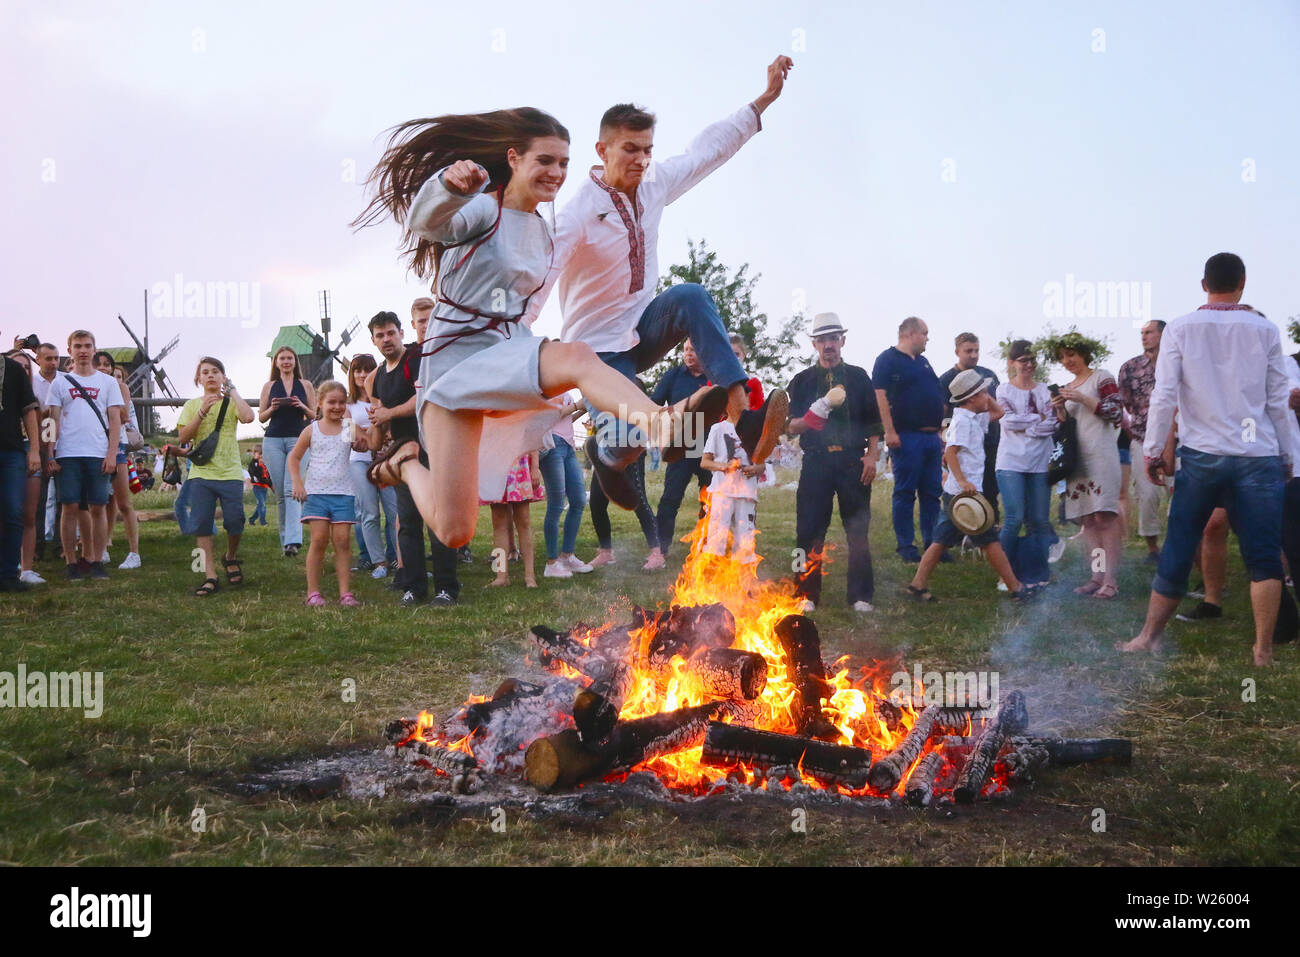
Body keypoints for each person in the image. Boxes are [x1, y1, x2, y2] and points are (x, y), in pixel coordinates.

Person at [353, 107, 726, 566]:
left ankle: (663, 424)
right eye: (545, 160)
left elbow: (528, 304)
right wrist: (448, 186)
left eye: (564, 163)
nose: (557, 173)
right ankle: (407, 461)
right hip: (454, 365)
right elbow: (426, 223)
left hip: (505, 350)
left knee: (578, 356)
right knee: (455, 529)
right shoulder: (483, 208)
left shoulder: (544, 232)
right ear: (514, 158)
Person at [521, 57, 795, 509]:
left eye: (647, 149)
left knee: (690, 294)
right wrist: (514, 346)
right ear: (602, 150)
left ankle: (739, 405)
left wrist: (762, 100)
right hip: (598, 350)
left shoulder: (654, 184)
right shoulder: (575, 216)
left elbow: (706, 151)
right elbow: (541, 279)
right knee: (629, 441)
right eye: (630, 149)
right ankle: (606, 454)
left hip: (645, 327)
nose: (642, 159)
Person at [1122, 253, 1293, 666]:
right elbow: (1277, 399)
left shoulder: (1181, 327)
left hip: (1202, 455)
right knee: (1264, 555)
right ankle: (1262, 651)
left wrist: (1152, 450)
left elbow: (1164, 395)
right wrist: (1287, 453)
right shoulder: (1265, 329)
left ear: (1204, 284)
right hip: (1258, 454)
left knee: (1180, 546)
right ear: (1243, 282)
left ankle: (1148, 637)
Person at [907, 370, 1034, 602]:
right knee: (989, 541)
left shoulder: (974, 417)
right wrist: (963, 481)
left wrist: (984, 397)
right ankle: (1016, 588)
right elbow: (950, 452)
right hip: (963, 496)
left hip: (964, 494)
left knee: (941, 541)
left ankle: (917, 585)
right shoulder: (963, 422)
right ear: (972, 398)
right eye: (984, 392)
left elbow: (1000, 412)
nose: (988, 396)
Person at [362, 312, 461, 607]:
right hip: (403, 455)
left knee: (437, 518)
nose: (386, 339)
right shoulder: (378, 376)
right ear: (373, 340)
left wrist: (388, 414)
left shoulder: (417, 359)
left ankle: (446, 588)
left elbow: (423, 400)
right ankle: (414, 587)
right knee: (407, 521)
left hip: (432, 449)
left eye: (391, 333)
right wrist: (373, 441)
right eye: (380, 336)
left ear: (401, 332)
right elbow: (379, 418)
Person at [787, 313, 882, 612]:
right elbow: (789, 426)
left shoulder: (858, 376)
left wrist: (871, 456)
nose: (828, 345)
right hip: (815, 462)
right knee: (807, 530)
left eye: (833, 338)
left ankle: (861, 595)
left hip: (852, 461)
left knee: (858, 530)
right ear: (814, 344)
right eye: (822, 340)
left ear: (843, 340)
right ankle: (804, 592)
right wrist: (813, 415)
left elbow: (873, 423)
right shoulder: (801, 381)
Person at [43, 330, 125, 581]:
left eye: (87, 346)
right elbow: (51, 421)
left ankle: (96, 559)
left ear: (94, 349)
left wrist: (112, 454)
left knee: (98, 507)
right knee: (68, 506)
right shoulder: (60, 382)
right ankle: (71, 561)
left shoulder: (108, 383)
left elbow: (115, 420)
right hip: (68, 453)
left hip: (97, 452)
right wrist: (50, 453)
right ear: (70, 350)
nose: (83, 350)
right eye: (77, 346)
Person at [1049, 335, 1124, 598]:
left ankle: (1112, 580)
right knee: (1089, 519)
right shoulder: (1068, 386)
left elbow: (1115, 413)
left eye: (1071, 354)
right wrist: (1060, 411)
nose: (1067, 361)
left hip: (1101, 455)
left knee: (1104, 515)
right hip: (1077, 459)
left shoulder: (1102, 377)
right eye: (1062, 356)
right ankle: (1097, 575)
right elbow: (1066, 426)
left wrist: (1082, 398)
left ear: (1084, 354)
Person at [176, 357, 255, 596]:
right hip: (201, 473)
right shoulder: (191, 405)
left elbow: (249, 417)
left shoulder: (231, 403)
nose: (210, 376)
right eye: (205, 372)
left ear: (223, 377)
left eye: (215, 372)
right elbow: (183, 437)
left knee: (235, 521)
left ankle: (230, 556)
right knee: (202, 525)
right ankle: (209, 574)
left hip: (230, 472)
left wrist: (233, 391)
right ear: (198, 379)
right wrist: (201, 412)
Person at [873, 317, 945, 562]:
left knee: (932, 493)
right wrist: (889, 431)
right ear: (910, 333)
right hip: (906, 437)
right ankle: (906, 546)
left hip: (931, 438)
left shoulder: (924, 362)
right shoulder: (887, 359)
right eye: (925, 333)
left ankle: (933, 544)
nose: (927, 338)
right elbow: (880, 395)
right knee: (905, 492)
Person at [289, 381, 366, 606]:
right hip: (316, 493)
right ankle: (313, 592)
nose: (337, 407)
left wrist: (367, 439)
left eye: (342, 402)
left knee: (342, 541)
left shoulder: (348, 427)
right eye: (331, 402)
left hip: (344, 493)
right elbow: (293, 457)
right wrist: (297, 483)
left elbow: (366, 443)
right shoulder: (311, 430)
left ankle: (346, 593)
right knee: (319, 540)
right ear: (320, 403)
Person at [994, 340, 1057, 588]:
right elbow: (1007, 421)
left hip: (1040, 462)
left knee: (1040, 520)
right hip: (1011, 462)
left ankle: (1037, 573)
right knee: (1014, 518)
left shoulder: (1045, 390)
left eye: (1032, 360)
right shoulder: (1003, 390)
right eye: (1023, 360)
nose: (1029, 365)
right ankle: (1006, 574)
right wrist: (1037, 419)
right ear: (1012, 363)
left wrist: (1029, 425)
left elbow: (1053, 423)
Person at [653, 340, 713, 559]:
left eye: (693, 350)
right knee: (670, 498)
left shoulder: (714, 376)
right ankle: (661, 548)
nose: (688, 354)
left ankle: (706, 543)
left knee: (710, 497)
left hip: (709, 446)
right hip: (680, 445)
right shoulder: (672, 376)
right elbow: (655, 405)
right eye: (686, 349)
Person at [258, 346, 317, 557]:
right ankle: (286, 542)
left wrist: (300, 405)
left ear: (295, 361)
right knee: (281, 493)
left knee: (292, 489)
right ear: (275, 362)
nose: (286, 362)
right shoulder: (269, 386)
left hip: (298, 439)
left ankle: (294, 540)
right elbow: (261, 417)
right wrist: (273, 408)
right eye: (282, 358)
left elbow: (314, 414)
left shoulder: (306, 385)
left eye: (289, 358)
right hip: (273, 439)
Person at [1118, 320, 1168, 561]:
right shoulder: (1130, 367)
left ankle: (1185, 546)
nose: (1144, 337)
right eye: (1142, 333)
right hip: (1143, 439)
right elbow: (1125, 405)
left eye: (1149, 332)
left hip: (1179, 441)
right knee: (1147, 495)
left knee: (1179, 495)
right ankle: (1152, 548)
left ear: (1163, 334)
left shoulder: (1180, 363)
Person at [937, 333, 1001, 517]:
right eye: (968, 351)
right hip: (961, 442)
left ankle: (990, 523)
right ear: (957, 351)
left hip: (988, 438)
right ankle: (960, 527)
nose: (973, 355)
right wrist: (945, 444)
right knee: (961, 488)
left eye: (976, 350)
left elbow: (997, 409)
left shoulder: (988, 375)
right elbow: (943, 416)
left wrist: (983, 389)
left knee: (989, 486)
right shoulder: (947, 379)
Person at [345, 354, 395, 577]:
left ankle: (397, 558)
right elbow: (352, 431)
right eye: (357, 370)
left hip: (386, 459)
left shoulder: (384, 399)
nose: (362, 375)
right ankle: (378, 561)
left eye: (367, 370)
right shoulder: (347, 405)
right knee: (369, 512)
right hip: (360, 461)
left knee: (394, 512)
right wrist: (376, 431)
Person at [91, 353, 142, 569]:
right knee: (97, 503)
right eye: (99, 364)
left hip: (117, 446)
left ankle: (134, 553)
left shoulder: (118, 387)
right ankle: (100, 549)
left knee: (123, 503)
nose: (103, 368)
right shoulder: (88, 385)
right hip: (93, 447)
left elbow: (123, 416)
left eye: (107, 365)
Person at [0, 349, 41, 591]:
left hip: (11, 452)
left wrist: (34, 450)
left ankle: (8, 574)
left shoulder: (14, 370)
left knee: (14, 511)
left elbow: (29, 411)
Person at [539, 397, 592, 579]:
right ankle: (551, 563)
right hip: (552, 445)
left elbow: (566, 419)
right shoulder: (549, 386)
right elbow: (550, 416)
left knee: (578, 500)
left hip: (569, 446)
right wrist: (578, 405)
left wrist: (582, 410)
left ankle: (567, 555)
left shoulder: (566, 390)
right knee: (556, 504)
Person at [700, 408, 761, 564]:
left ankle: (743, 580)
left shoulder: (756, 428)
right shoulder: (718, 429)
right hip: (722, 491)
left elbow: (763, 463)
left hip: (746, 493)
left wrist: (756, 468)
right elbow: (705, 462)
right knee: (715, 538)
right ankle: (710, 574)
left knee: (745, 540)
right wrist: (724, 466)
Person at [483, 451, 543, 588]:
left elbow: (531, 435)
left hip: (519, 464)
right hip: (493, 465)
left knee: (523, 521)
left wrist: (535, 466)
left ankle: (530, 576)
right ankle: (501, 577)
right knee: (498, 523)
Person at [248, 446, 271, 526]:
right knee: (262, 504)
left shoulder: (263, 464)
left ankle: (252, 519)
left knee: (261, 505)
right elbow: (252, 471)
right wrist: (255, 460)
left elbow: (267, 476)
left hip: (264, 487)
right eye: (259, 454)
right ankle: (263, 522)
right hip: (257, 487)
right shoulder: (254, 463)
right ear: (254, 454)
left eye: (262, 454)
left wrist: (270, 484)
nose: (261, 456)